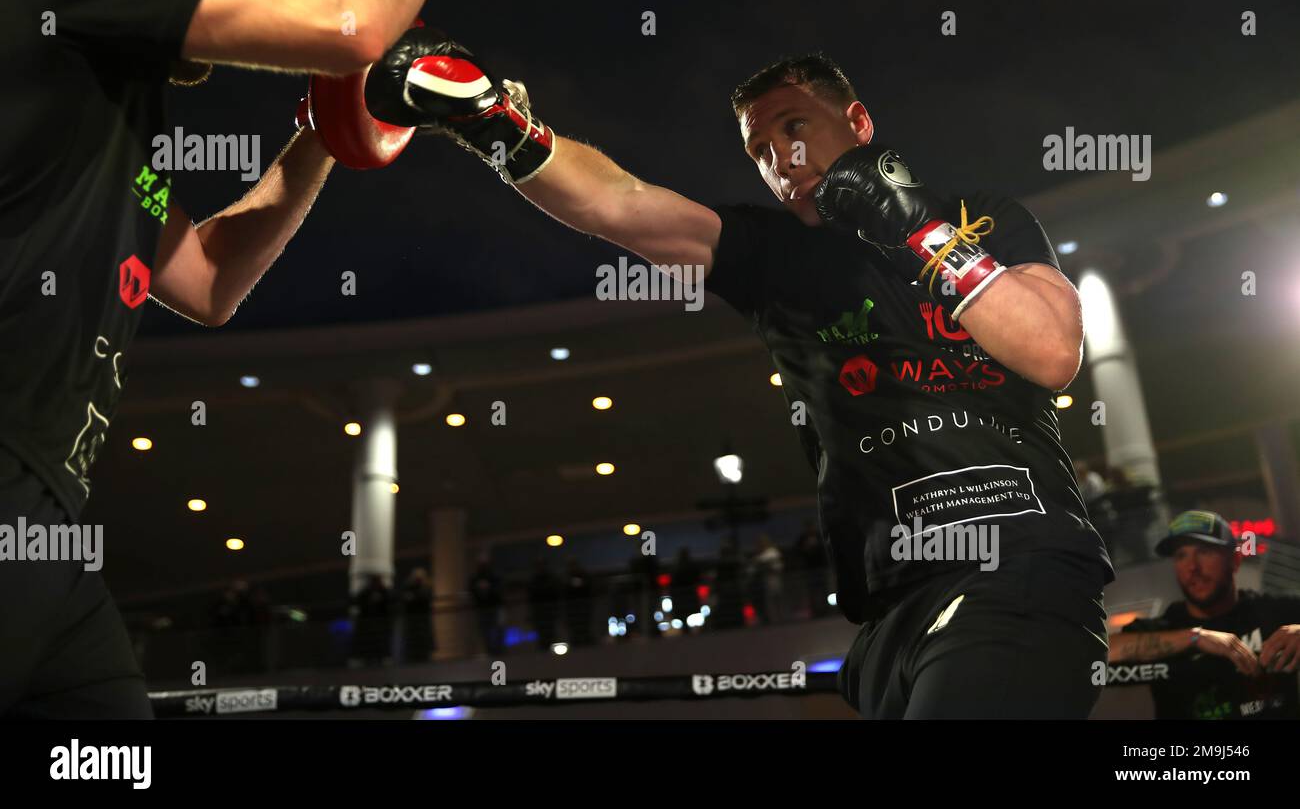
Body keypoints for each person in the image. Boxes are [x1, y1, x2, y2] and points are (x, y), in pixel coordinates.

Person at [363, 39, 1114, 718]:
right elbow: (616, 204)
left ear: (857, 121)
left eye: (794, 127)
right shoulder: (770, 254)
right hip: (890, 611)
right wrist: (490, 121)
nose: (781, 159)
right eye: (758, 148)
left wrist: (918, 229)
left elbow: (1051, 351)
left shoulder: (978, 214)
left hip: (1014, 564)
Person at [0, 0, 545, 718]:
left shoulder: (100, 119)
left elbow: (210, 282)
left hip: (48, 518)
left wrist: (327, 129)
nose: (248, 10)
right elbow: (347, 19)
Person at [1110, 510, 1300, 719]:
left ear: (1235, 561)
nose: (1192, 567)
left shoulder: (1271, 611)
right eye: (1181, 555)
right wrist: (1194, 637)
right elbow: (1097, 659)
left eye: (1205, 551)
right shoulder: (1165, 627)